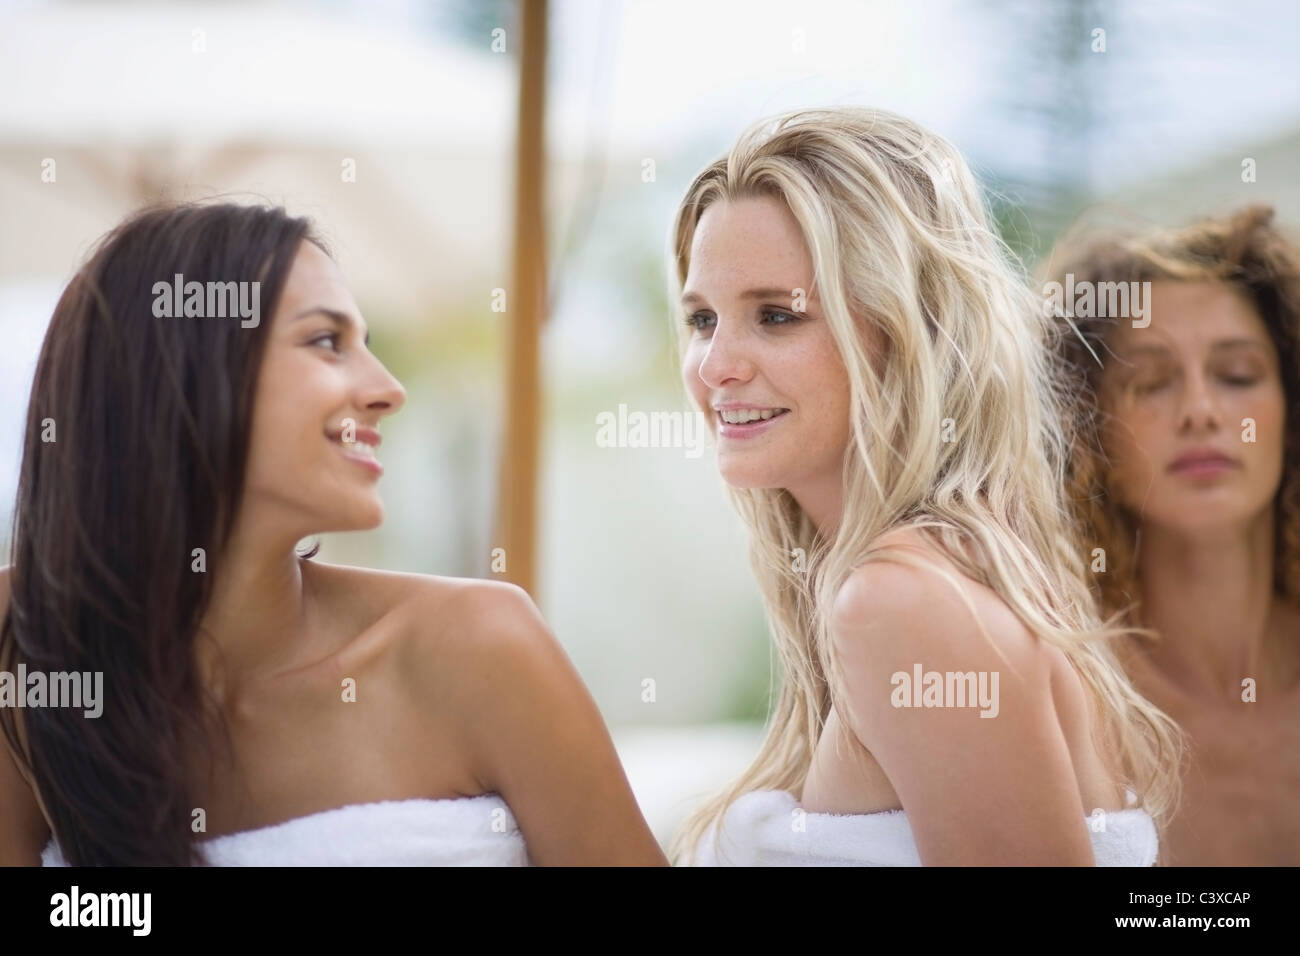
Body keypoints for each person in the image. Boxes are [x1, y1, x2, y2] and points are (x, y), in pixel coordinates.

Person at [0, 201, 666, 866]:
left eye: (367, 347)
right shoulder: (29, 652)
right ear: (178, 370)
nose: (386, 389)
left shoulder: (478, 646)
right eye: (326, 342)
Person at [667, 107, 1182, 866]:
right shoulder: (941, 574)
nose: (716, 365)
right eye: (703, 319)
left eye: (776, 316)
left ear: (907, 334)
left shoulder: (902, 603)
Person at [1044, 203, 1300, 865]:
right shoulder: (1062, 693)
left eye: (1237, 375)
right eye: (1152, 383)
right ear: (1087, 432)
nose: (1202, 411)